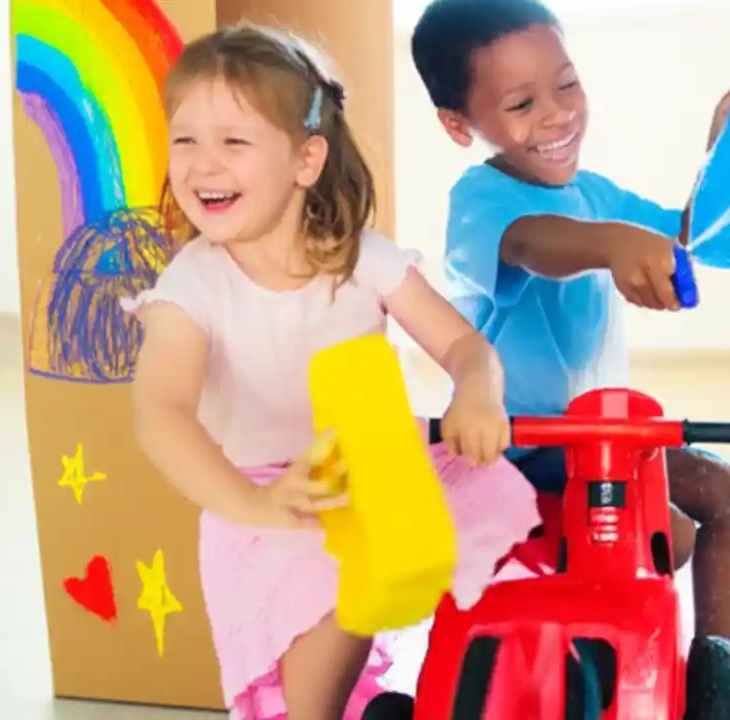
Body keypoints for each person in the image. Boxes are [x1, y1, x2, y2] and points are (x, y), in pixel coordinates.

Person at [125, 24, 539, 720]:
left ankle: (471, 690)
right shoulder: (193, 286)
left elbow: (466, 347)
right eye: (185, 139)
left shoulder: (361, 259)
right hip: (266, 494)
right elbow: (158, 410)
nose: (200, 163)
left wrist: (476, 390)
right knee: (319, 622)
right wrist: (251, 504)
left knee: (505, 540)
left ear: (306, 160)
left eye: (233, 141)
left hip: (378, 463)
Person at [410, 1, 730, 717]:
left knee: (721, 500)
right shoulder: (478, 201)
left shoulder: (597, 195)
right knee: (653, 545)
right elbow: (535, 243)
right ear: (460, 125)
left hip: (603, 446)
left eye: (567, 85)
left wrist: (721, 147)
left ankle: (718, 675)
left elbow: (687, 232)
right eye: (522, 103)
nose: (558, 115)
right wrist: (608, 243)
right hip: (513, 451)